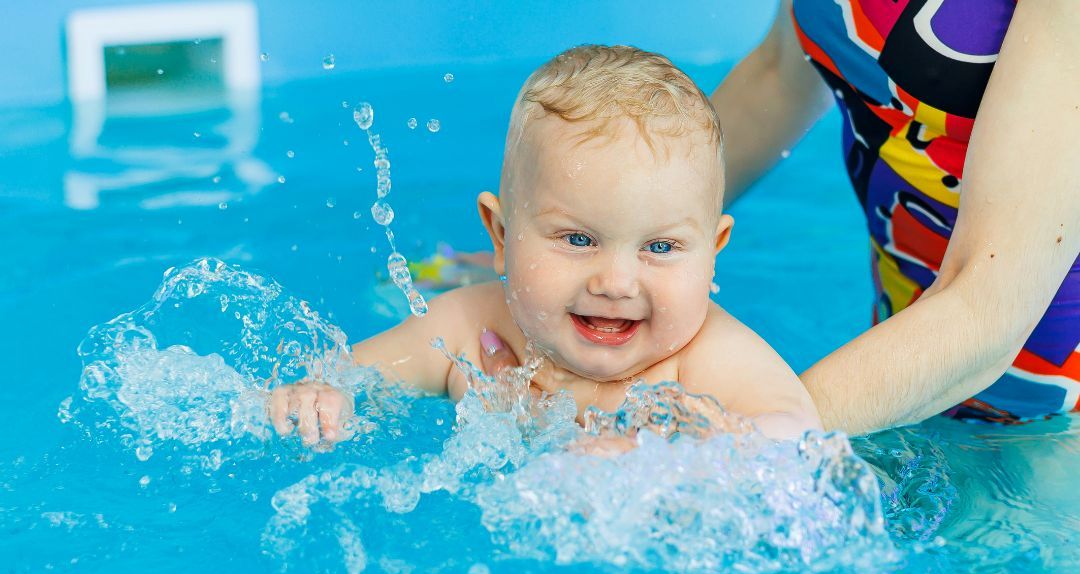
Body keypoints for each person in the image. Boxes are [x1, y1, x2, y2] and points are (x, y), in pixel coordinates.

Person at [483, 1, 1080, 436]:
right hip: (893, 379)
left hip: (1058, 430)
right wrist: (543, 252)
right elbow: (779, 77)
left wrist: (739, 437)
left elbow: (987, 309)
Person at [267, 45, 823, 448]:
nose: (616, 283)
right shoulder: (469, 324)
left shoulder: (707, 357)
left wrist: (677, 456)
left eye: (660, 247)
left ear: (714, 250)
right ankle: (440, 268)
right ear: (502, 236)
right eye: (579, 239)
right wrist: (320, 393)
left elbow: (795, 434)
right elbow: (353, 372)